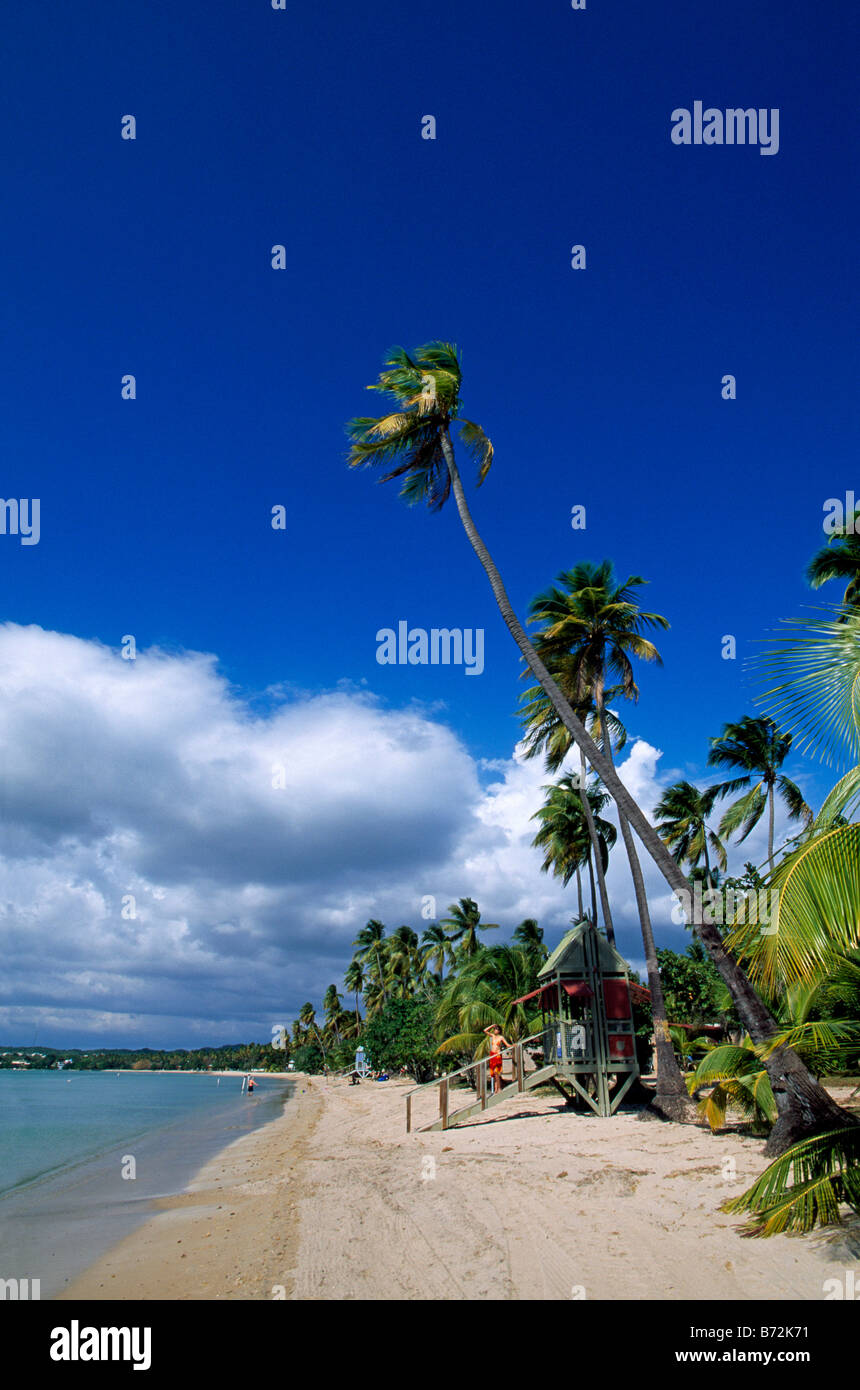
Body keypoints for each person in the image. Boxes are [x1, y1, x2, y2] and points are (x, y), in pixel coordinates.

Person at [483, 1024, 511, 1094]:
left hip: (497, 1055)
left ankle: (499, 1088)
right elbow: (485, 1030)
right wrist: (492, 1026)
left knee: (496, 1072)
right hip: (492, 1055)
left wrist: (512, 1045)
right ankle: (496, 1089)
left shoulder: (501, 1037)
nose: (495, 1030)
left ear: (499, 1031)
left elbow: (507, 1045)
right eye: (495, 1029)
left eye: (497, 1029)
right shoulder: (492, 1036)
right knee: (493, 1074)